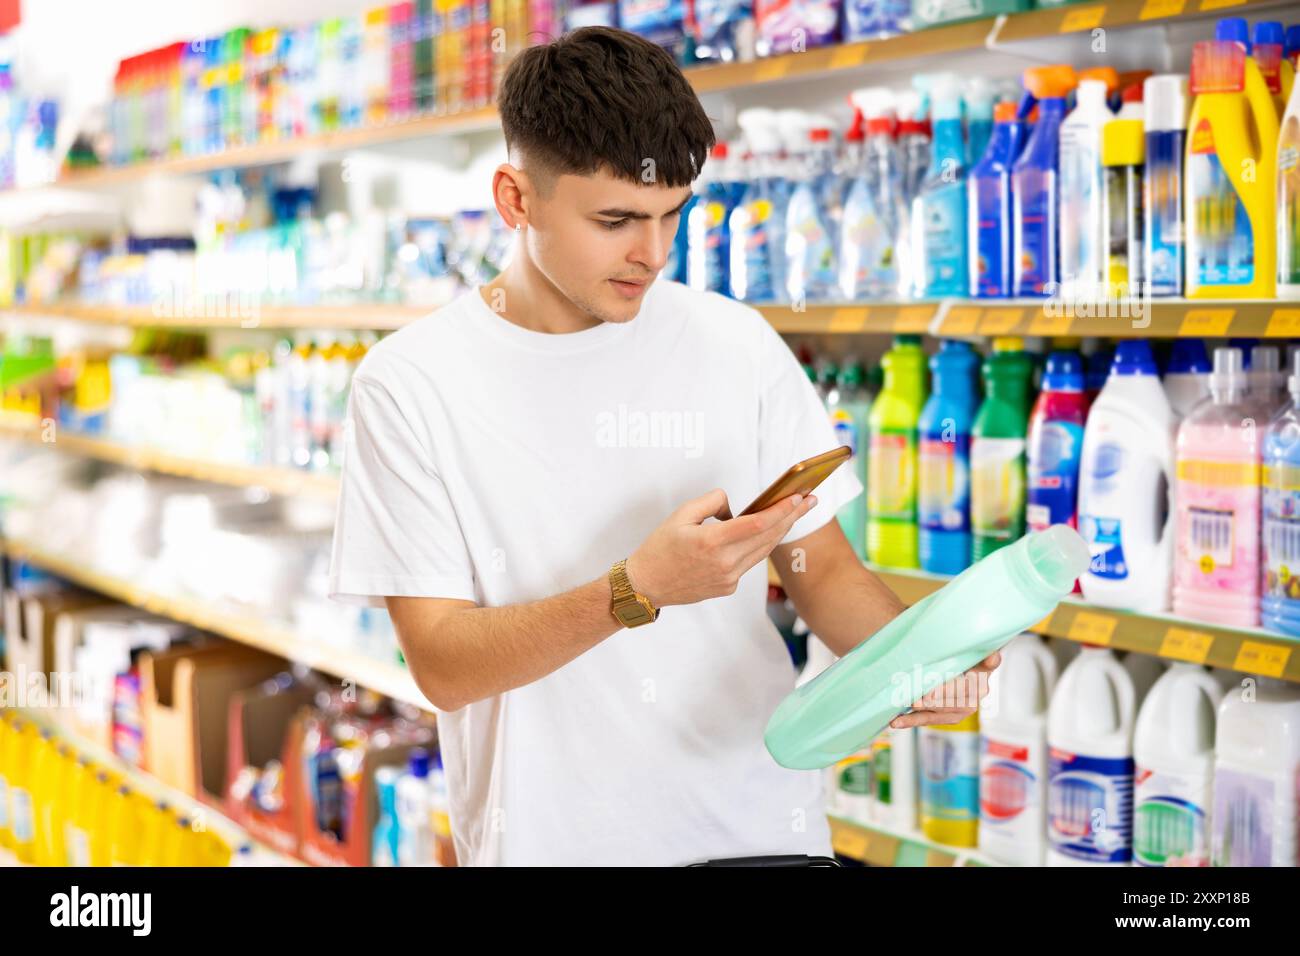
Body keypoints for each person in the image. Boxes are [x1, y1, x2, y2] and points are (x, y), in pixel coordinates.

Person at [328, 25, 1000, 866]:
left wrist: (917, 660)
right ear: (516, 199)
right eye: (615, 220)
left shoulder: (735, 341)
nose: (652, 254)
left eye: (671, 215)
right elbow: (442, 663)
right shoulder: (410, 384)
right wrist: (633, 590)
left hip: (761, 832)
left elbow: (820, 569)